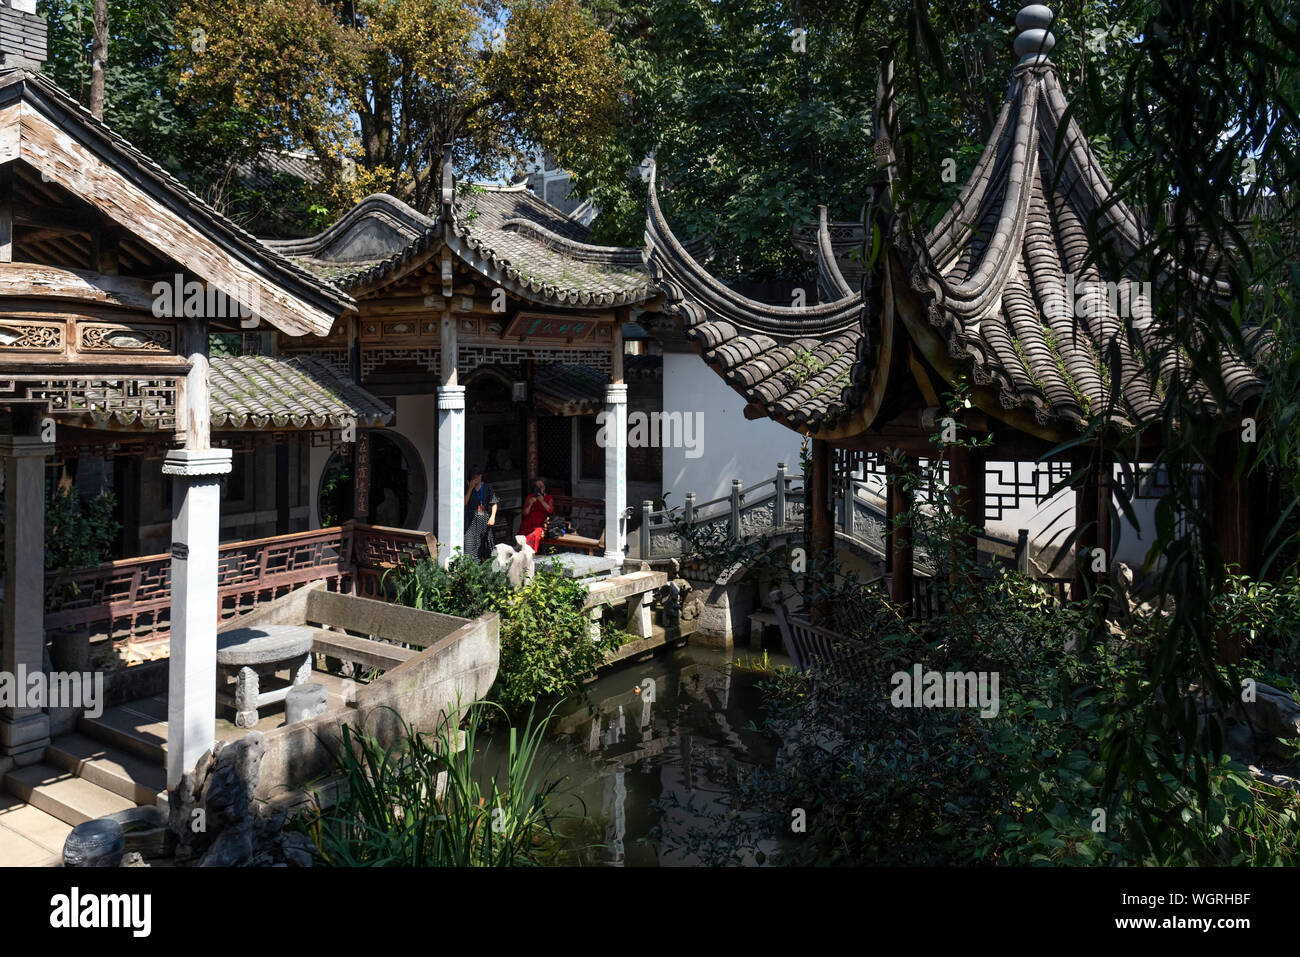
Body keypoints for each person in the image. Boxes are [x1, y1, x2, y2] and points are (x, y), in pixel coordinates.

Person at [464, 464, 498, 562]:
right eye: (473, 476)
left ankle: (488, 568)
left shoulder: (487, 487)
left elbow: (494, 503)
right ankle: (472, 567)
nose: (475, 478)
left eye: (477, 475)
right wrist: (470, 488)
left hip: (484, 519)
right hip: (470, 521)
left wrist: (493, 517)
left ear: (481, 476)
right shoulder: (468, 487)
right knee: (470, 544)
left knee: (486, 545)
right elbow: (464, 503)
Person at [519, 477, 554, 552]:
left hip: (540, 524)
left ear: (545, 487)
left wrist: (542, 501)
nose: (539, 489)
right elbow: (525, 513)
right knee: (524, 536)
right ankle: (524, 554)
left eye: (541, 487)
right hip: (528, 522)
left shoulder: (548, 498)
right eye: (536, 487)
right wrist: (530, 503)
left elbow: (550, 510)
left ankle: (532, 554)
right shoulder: (530, 497)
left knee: (533, 535)